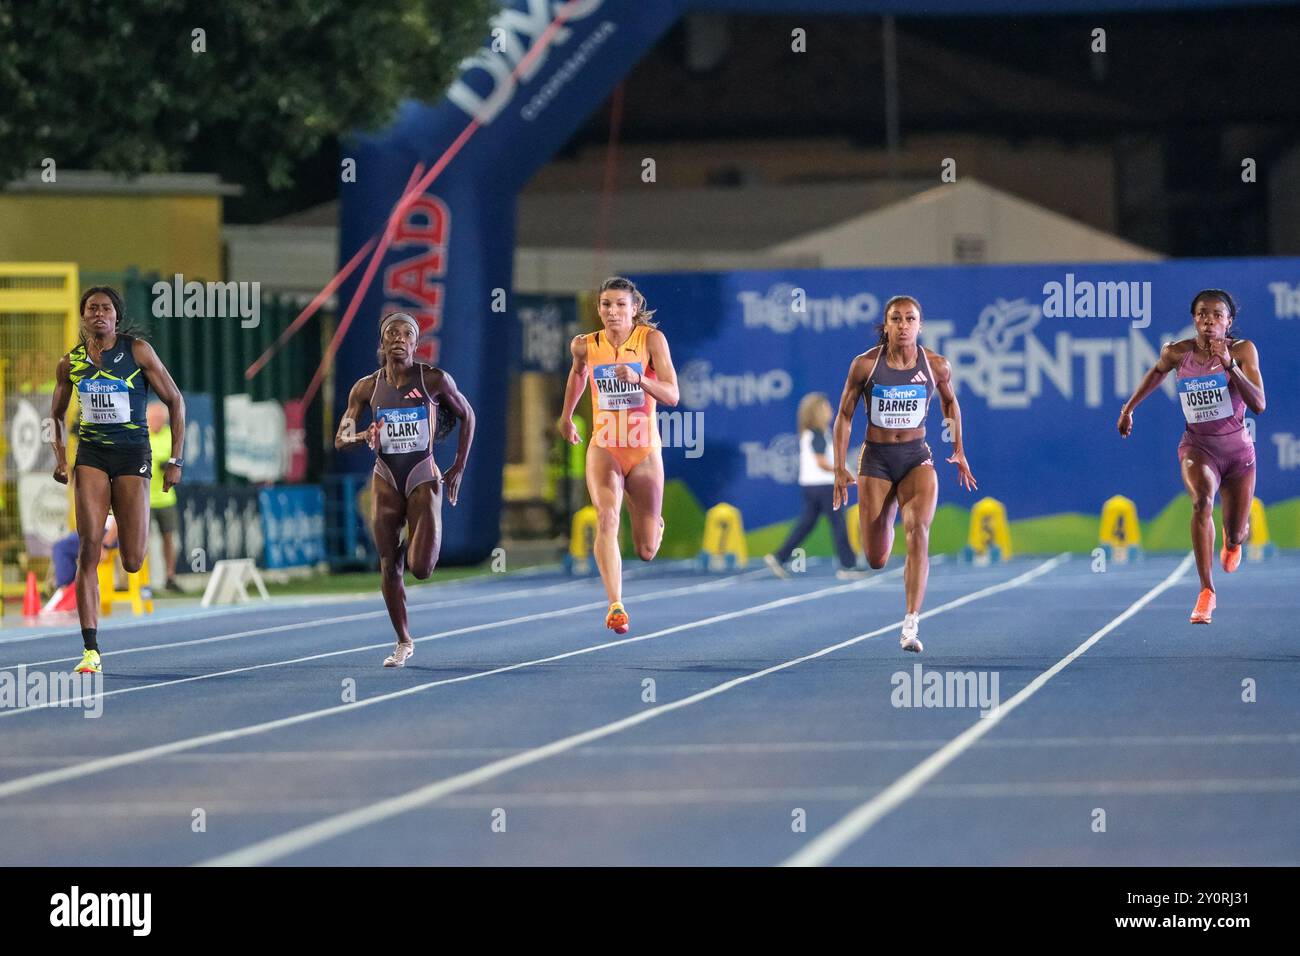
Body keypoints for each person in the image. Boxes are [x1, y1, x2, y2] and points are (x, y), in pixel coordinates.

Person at [50, 287, 186, 674]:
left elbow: (176, 401)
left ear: (116, 317)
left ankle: (123, 533)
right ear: (83, 317)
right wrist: (61, 459)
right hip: (92, 456)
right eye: (91, 308)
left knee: (131, 560)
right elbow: (56, 416)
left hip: (132, 455)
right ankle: (90, 648)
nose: (98, 314)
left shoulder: (137, 351)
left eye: (105, 308)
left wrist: (176, 459)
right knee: (88, 548)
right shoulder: (71, 364)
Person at [832, 295, 977, 653]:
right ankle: (889, 509)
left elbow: (949, 402)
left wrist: (958, 448)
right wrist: (839, 467)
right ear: (886, 325)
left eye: (910, 319)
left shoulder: (936, 365)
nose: (903, 325)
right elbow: (845, 416)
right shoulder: (865, 366)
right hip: (877, 461)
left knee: (919, 532)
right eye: (895, 319)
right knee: (876, 558)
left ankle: (911, 622)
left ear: (920, 325)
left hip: (916, 457)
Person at [336, 312, 475, 667]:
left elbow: (467, 415)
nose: (399, 338)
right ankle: (403, 640)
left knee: (421, 568)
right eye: (392, 333)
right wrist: (363, 435)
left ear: (416, 343)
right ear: (382, 343)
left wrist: (458, 465)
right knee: (388, 563)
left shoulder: (434, 380)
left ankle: (418, 541)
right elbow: (340, 438)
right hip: (385, 476)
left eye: (407, 334)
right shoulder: (365, 388)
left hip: (422, 475)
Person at [1118, 289, 1265, 624]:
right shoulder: (1177, 352)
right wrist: (1129, 409)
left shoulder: (1242, 351)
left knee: (1237, 533)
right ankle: (1206, 591)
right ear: (1194, 318)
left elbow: (1259, 404)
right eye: (1201, 314)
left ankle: (1232, 541)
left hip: (1239, 455)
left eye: (1216, 315)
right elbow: (1157, 371)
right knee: (1201, 501)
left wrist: (1229, 365)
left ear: (1229, 321)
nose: (1208, 320)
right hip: (1197, 447)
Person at [557, 277, 679, 634]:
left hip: (643, 449)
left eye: (620, 305)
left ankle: (653, 525)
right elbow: (578, 375)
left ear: (634, 308)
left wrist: (639, 380)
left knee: (645, 550)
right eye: (606, 305)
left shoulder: (651, 341)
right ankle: (616, 605)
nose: (613, 311)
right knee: (607, 517)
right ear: (598, 308)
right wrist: (566, 416)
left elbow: (672, 394)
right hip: (605, 445)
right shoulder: (583, 345)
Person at [766, 392, 865, 580]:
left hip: (811, 487)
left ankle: (780, 556)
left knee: (806, 524)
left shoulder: (815, 434)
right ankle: (848, 565)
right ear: (816, 413)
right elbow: (821, 462)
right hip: (823, 487)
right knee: (838, 524)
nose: (831, 411)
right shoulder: (816, 435)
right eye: (826, 408)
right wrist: (843, 473)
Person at [147, 401, 183, 592]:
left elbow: (178, 456)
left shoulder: (170, 433)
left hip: (166, 496)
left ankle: (170, 576)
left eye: (160, 419)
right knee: (142, 540)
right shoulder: (141, 432)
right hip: (144, 497)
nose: (156, 422)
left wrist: (169, 464)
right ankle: (143, 580)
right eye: (153, 419)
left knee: (169, 538)